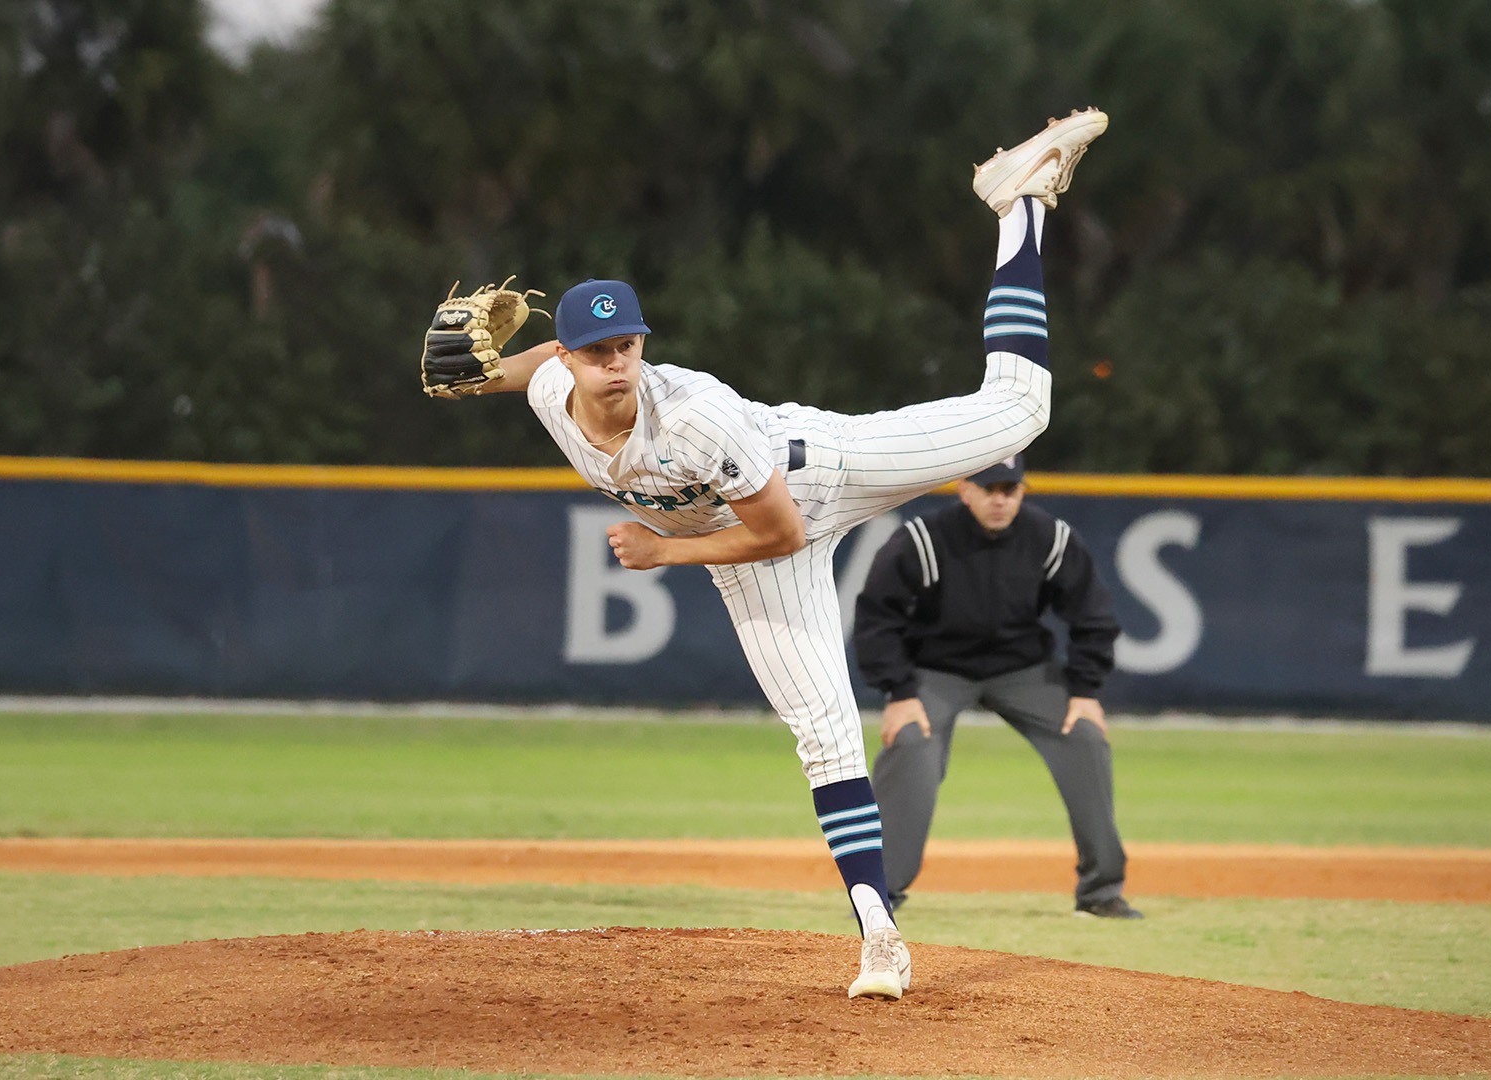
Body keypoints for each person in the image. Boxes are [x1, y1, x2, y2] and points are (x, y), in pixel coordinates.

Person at [420, 110, 1110, 998]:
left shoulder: (695, 416)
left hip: (811, 474)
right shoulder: (555, 387)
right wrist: (477, 374)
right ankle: (881, 939)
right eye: (598, 352)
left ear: (643, 343)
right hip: (743, 546)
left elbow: (783, 527)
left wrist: (668, 557)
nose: (616, 366)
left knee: (1022, 413)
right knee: (823, 734)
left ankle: (1017, 204)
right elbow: (539, 361)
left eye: (628, 346)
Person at [852, 453, 1142, 919]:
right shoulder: (923, 539)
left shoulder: (1050, 537)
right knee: (910, 740)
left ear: (1023, 491)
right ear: (963, 488)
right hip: (937, 669)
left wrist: (1086, 691)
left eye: (1010, 489)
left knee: (1085, 736)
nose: (1000, 499)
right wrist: (900, 694)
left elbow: (1093, 615)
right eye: (989, 489)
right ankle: (879, 897)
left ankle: (1102, 893)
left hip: (1023, 668)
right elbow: (875, 619)